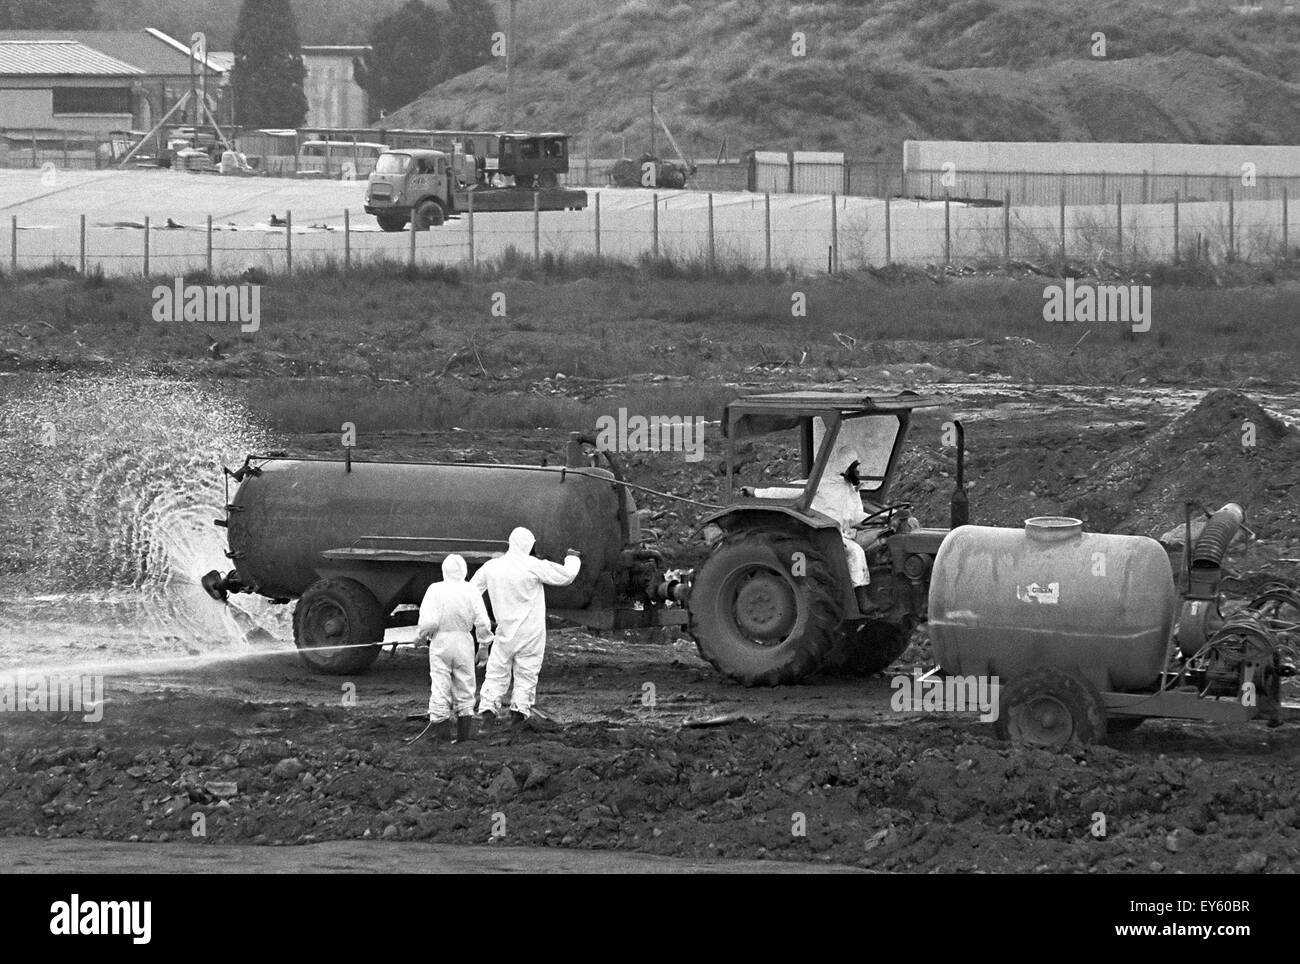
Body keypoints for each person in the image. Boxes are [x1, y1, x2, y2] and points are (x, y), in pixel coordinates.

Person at [471, 527, 581, 729]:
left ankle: (487, 718)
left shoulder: (492, 567)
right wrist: (572, 558)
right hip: (531, 633)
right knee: (526, 674)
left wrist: (481, 621)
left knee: (496, 674)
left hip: (504, 632)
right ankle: (518, 719)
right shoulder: (534, 566)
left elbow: (471, 592)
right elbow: (566, 576)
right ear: (530, 545)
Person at [416, 554, 493, 743]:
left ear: (444, 571)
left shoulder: (435, 589)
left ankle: (442, 739)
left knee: (440, 686)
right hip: (464, 641)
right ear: (465, 571)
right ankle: (463, 740)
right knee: (466, 687)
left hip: (440, 642)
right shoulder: (471, 590)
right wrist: (483, 645)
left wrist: (420, 637)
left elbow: (430, 621)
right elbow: (483, 621)